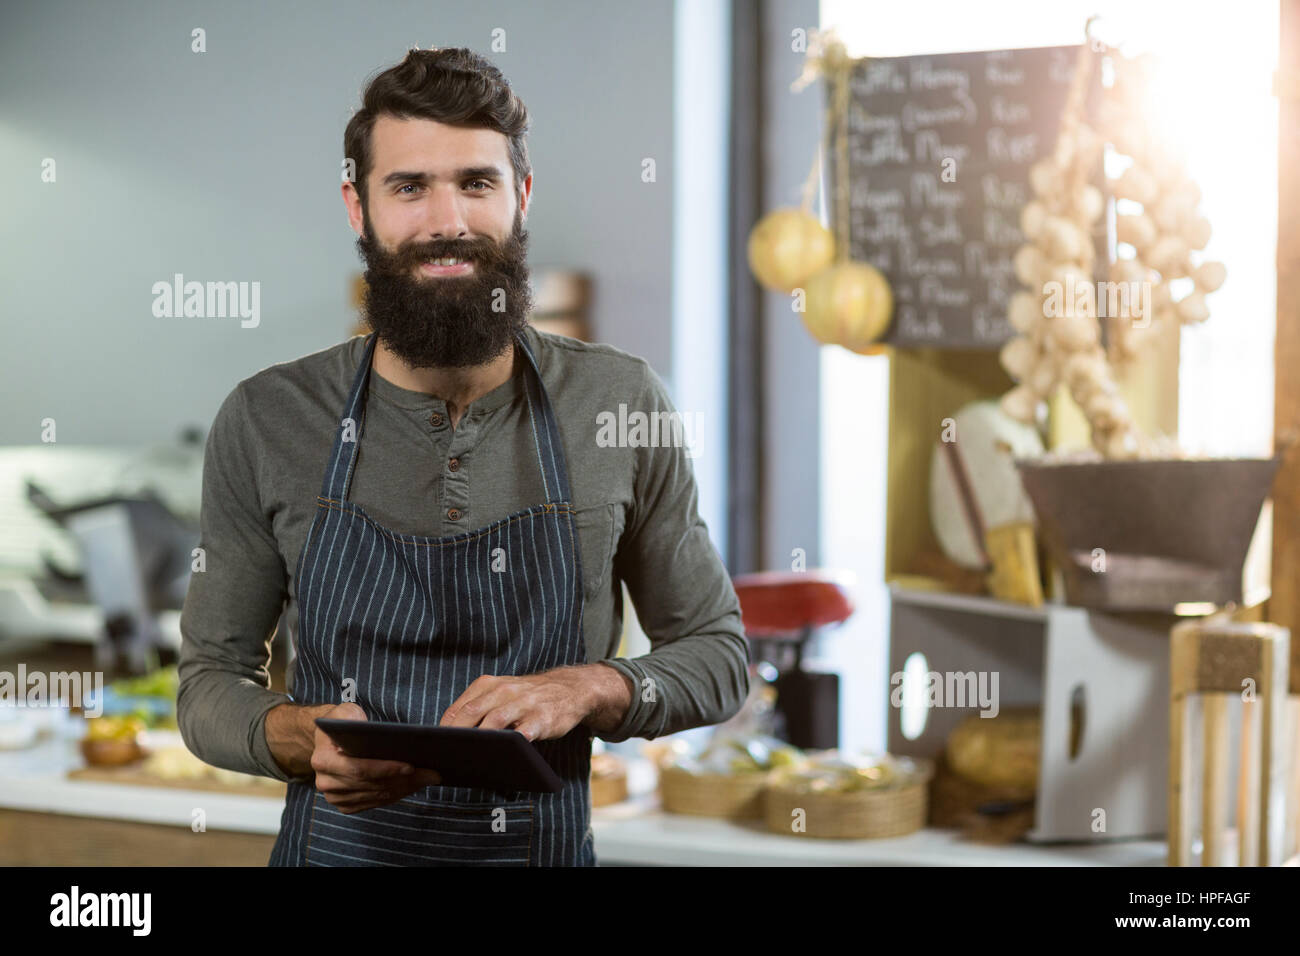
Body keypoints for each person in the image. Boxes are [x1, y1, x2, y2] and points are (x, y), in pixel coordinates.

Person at [176, 47, 750, 866]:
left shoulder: (621, 402)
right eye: (409, 187)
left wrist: (590, 685)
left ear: (520, 197)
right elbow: (206, 687)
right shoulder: (269, 418)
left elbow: (719, 655)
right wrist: (295, 736)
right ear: (357, 207)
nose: (447, 221)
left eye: (476, 183)